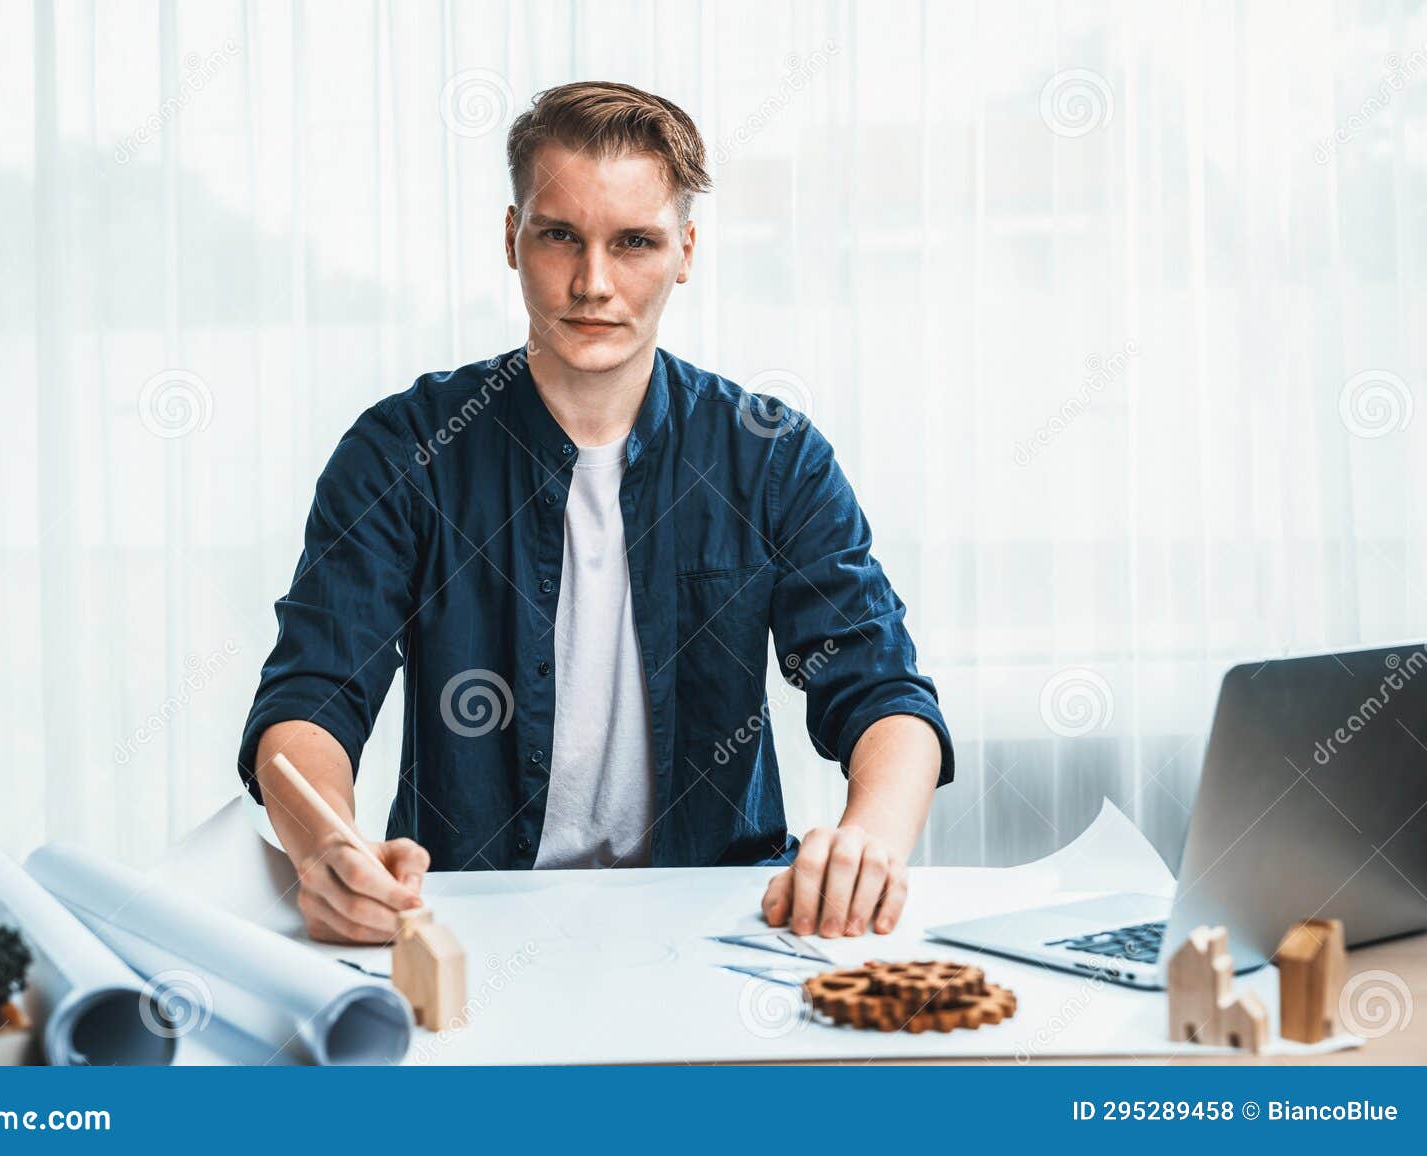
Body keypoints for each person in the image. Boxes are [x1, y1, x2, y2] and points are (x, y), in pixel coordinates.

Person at [238, 81, 953, 946]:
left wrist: (869, 844)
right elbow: (312, 700)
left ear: (685, 251)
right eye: (560, 236)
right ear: (513, 238)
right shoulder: (403, 451)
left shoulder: (773, 457)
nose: (593, 282)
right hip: (462, 921)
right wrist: (329, 851)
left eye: (636, 243)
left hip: (721, 923)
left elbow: (881, 693)